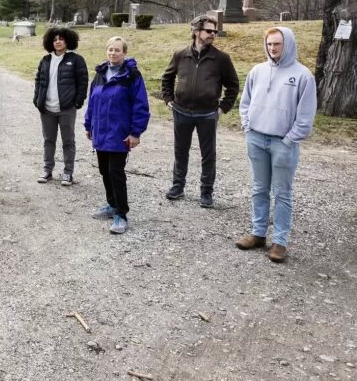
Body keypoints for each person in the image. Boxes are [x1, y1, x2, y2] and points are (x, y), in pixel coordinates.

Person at [235, 27, 316, 263]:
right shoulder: (257, 71)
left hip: (283, 143)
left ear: (287, 44)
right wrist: (247, 126)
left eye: (277, 44)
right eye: (269, 44)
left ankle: (279, 241)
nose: (273, 48)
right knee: (259, 189)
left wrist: (290, 139)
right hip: (257, 138)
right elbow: (246, 102)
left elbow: (305, 116)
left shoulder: (303, 76)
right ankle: (258, 233)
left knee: (282, 193)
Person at [160, 15, 239, 207]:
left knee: (208, 154)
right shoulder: (180, 54)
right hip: (181, 112)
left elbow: (233, 85)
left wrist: (223, 108)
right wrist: (169, 99)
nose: (213, 34)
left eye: (214, 31)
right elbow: (167, 78)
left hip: (207, 114)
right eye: (209, 31)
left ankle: (206, 193)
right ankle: (178, 187)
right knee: (181, 151)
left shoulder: (221, 58)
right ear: (196, 32)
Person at [84, 36, 150, 235]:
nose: (113, 53)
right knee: (104, 170)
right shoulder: (99, 74)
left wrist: (135, 132)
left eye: (117, 50)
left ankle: (121, 213)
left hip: (120, 133)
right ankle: (111, 204)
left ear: (124, 53)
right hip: (101, 132)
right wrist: (89, 124)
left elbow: (141, 106)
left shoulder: (132, 76)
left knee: (116, 173)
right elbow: (92, 102)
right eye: (110, 49)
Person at [32, 26, 88, 186]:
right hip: (47, 108)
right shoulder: (45, 60)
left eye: (61, 39)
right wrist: (37, 100)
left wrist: (77, 101)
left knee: (68, 141)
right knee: (48, 140)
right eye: (55, 39)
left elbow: (83, 82)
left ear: (67, 41)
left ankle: (68, 173)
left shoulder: (76, 60)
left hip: (66, 109)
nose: (57, 42)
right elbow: (38, 80)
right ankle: (47, 170)